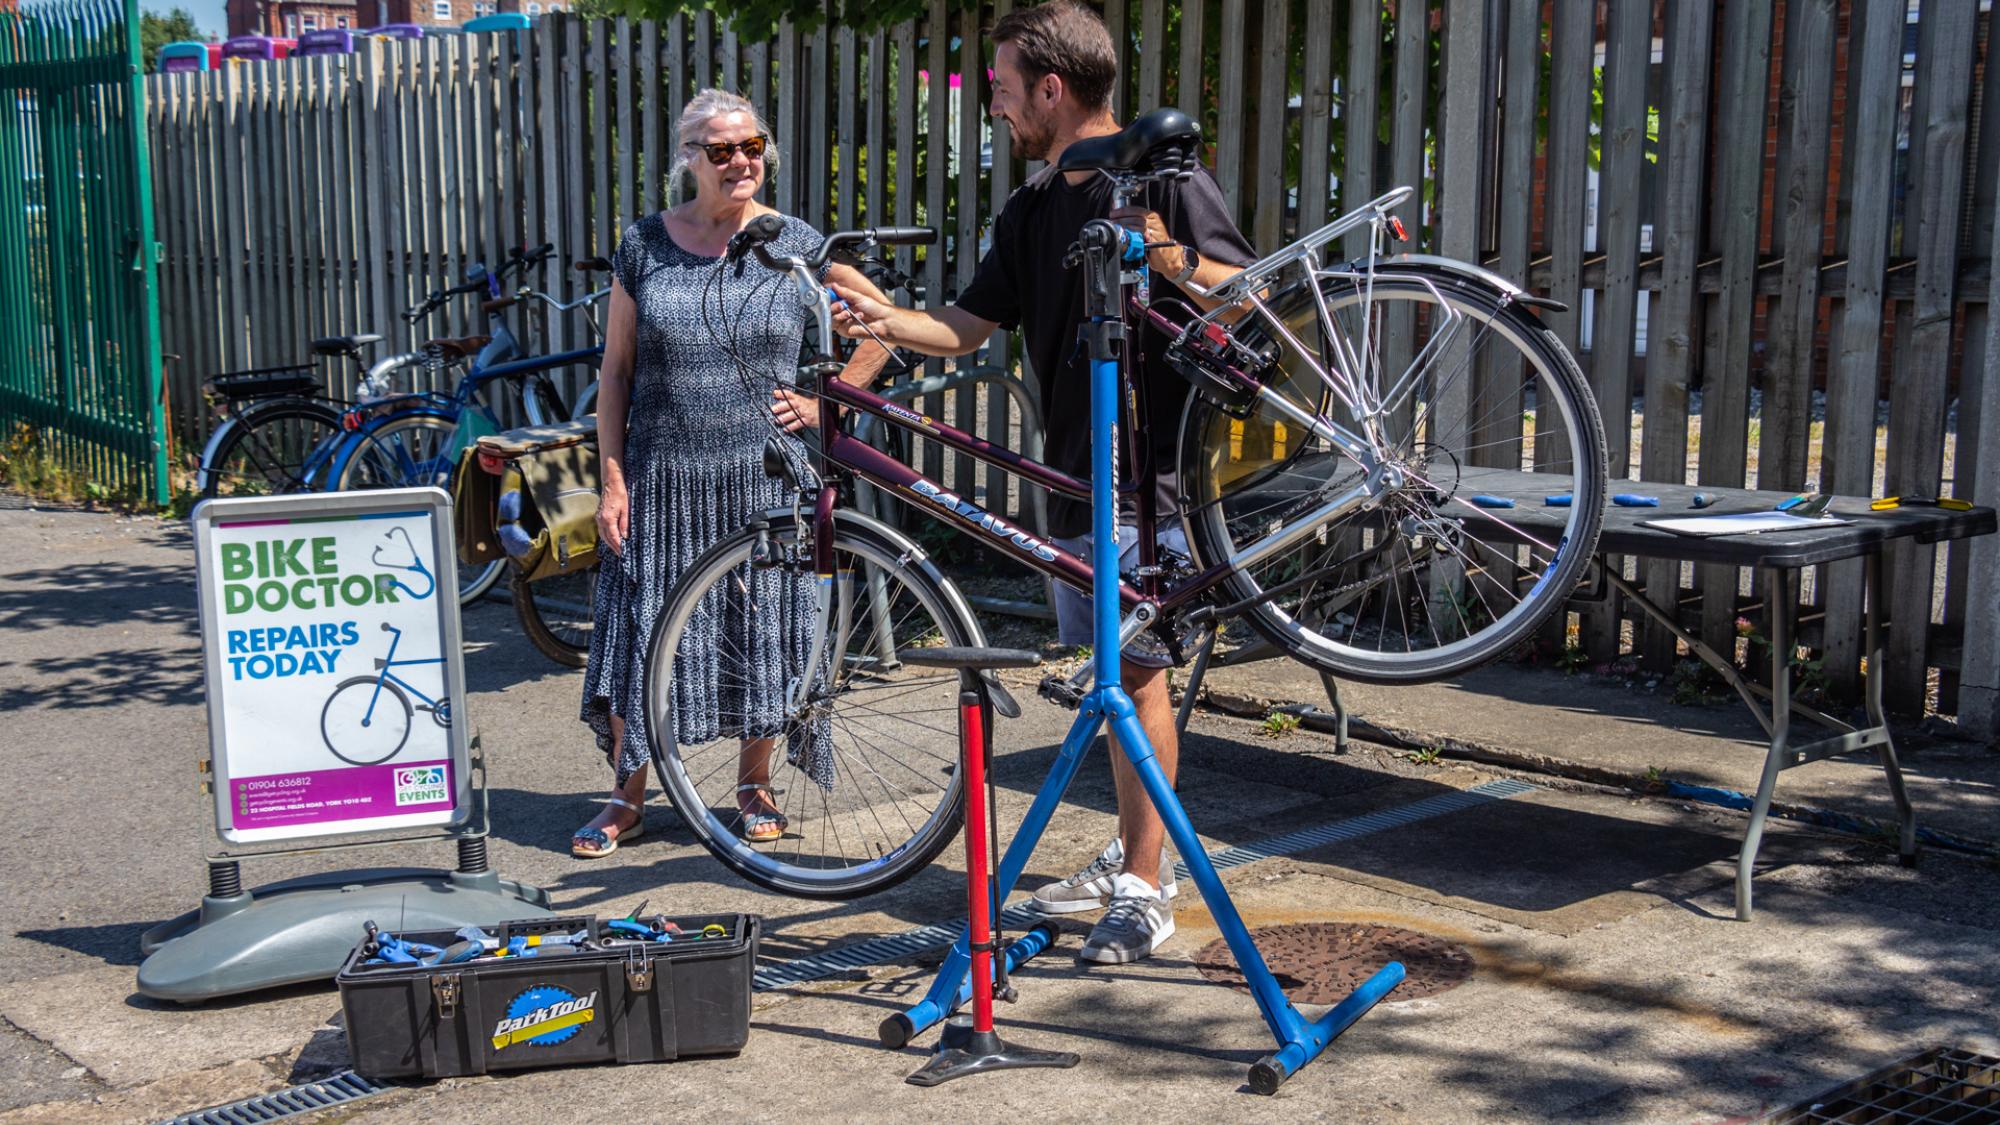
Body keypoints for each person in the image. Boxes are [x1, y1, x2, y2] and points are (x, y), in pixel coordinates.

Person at [829, 0, 1256, 963]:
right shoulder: (1032, 210)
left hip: (1149, 472)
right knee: (1114, 675)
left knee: (1137, 669)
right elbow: (971, 325)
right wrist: (885, 320)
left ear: (1051, 89)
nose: (997, 106)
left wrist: (1166, 253)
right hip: (1072, 474)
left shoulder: (1157, 180)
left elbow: (1246, 288)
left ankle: (1145, 887)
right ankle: (1137, 850)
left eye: (1004, 88)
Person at [575, 88, 893, 858]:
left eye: (752, 145)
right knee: (641, 630)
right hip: (662, 477)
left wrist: (823, 405)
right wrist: (612, 481)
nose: (743, 161)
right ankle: (628, 794)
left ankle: (754, 785)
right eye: (722, 150)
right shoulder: (644, 246)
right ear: (689, 158)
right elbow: (614, 373)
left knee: (759, 627)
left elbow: (886, 328)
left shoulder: (796, 243)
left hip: (761, 477)